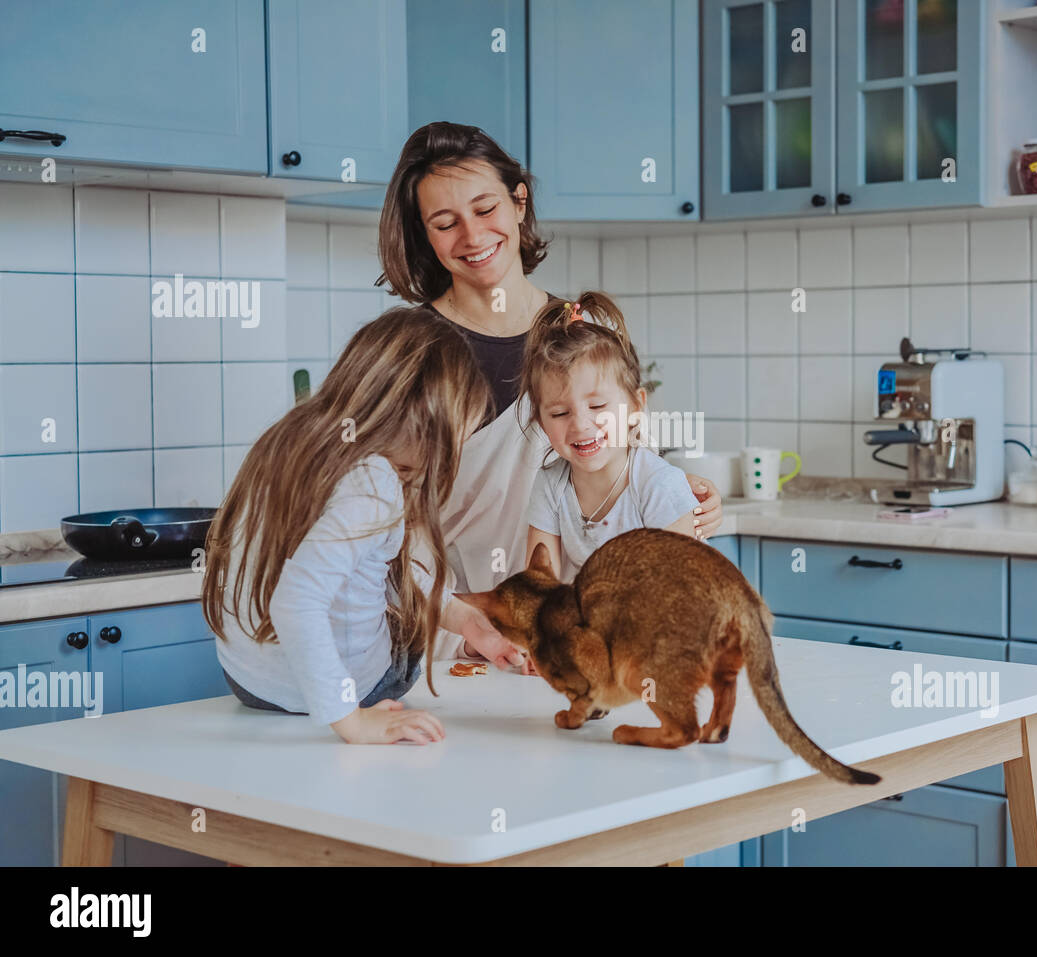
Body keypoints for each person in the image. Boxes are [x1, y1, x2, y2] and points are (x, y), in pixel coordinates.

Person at [377, 122, 723, 657]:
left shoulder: (580, 331)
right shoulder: (413, 353)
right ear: (426, 235)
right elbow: (380, 511)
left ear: (519, 202)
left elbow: (619, 466)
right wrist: (468, 624)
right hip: (456, 644)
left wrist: (681, 495)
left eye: (486, 209)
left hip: (577, 643)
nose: (471, 236)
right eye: (445, 223)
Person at [201, 308, 507, 744]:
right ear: (425, 421)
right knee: (391, 585)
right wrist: (351, 720)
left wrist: (466, 622)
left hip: (250, 684)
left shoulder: (285, 439)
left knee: (375, 567)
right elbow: (298, 599)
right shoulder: (375, 480)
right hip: (356, 689)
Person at [522, 292, 700, 582]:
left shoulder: (658, 486)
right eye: (559, 413)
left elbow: (678, 591)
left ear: (635, 406)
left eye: (597, 406)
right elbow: (539, 586)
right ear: (540, 421)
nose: (580, 425)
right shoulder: (550, 485)